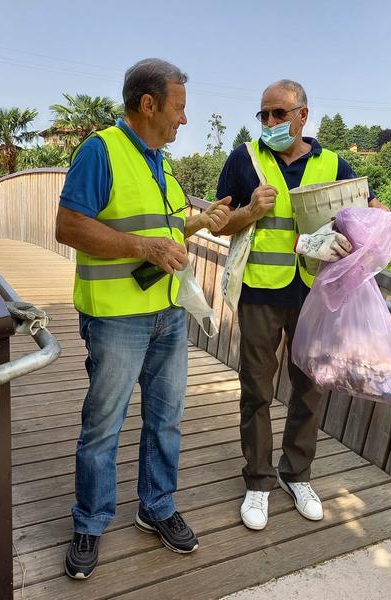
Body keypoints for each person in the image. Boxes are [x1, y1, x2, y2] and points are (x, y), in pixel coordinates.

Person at [55, 58, 231, 579]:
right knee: (102, 426)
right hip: (117, 319)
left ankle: (156, 507)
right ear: (148, 104)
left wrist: (199, 221)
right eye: (178, 107)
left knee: (166, 419)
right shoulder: (100, 150)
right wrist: (141, 246)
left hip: (167, 314)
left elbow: (165, 230)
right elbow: (68, 226)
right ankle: (89, 521)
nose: (184, 119)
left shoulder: (160, 161)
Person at [213, 79, 379, 531]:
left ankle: (297, 473)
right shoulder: (243, 160)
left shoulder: (335, 164)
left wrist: (371, 228)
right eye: (263, 115)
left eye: (278, 114)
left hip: (314, 295)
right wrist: (249, 211)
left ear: (303, 115)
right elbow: (218, 223)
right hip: (260, 292)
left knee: (309, 390)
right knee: (256, 390)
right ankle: (258, 481)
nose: (269, 122)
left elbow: (361, 217)